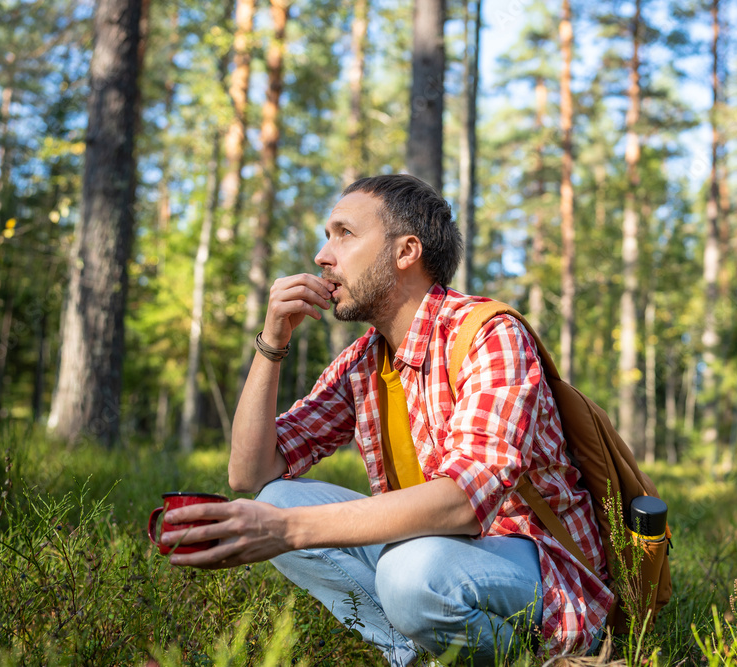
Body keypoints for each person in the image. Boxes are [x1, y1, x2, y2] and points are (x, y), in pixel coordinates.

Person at [160, 174, 612, 665]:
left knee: (405, 572)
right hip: (434, 558)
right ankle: (415, 657)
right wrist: (271, 346)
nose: (322, 256)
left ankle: (543, 660)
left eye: (344, 234)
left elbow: (464, 504)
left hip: (541, 572)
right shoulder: (364, 362)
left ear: (406, 252)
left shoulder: (490, 335)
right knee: (278, 497)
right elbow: (249, 472)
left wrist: (286, 531)